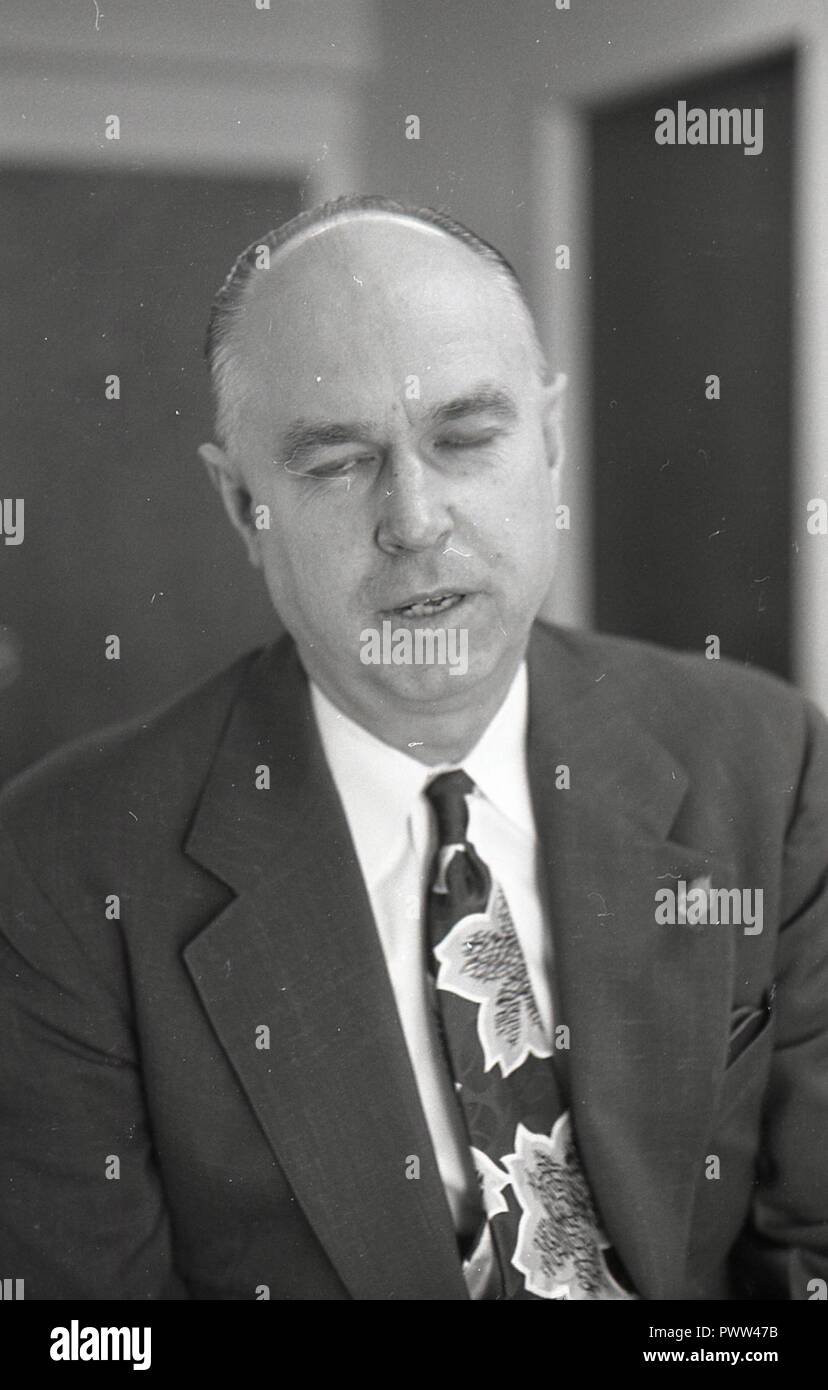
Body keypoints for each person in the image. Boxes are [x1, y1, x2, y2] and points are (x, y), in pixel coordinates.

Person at [1, 194, 826, 1301]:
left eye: (466, 436)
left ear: (550, 445)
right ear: (242, 501)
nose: (417, 518)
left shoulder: (769, 765)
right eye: (339, 462)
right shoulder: (63, 866)